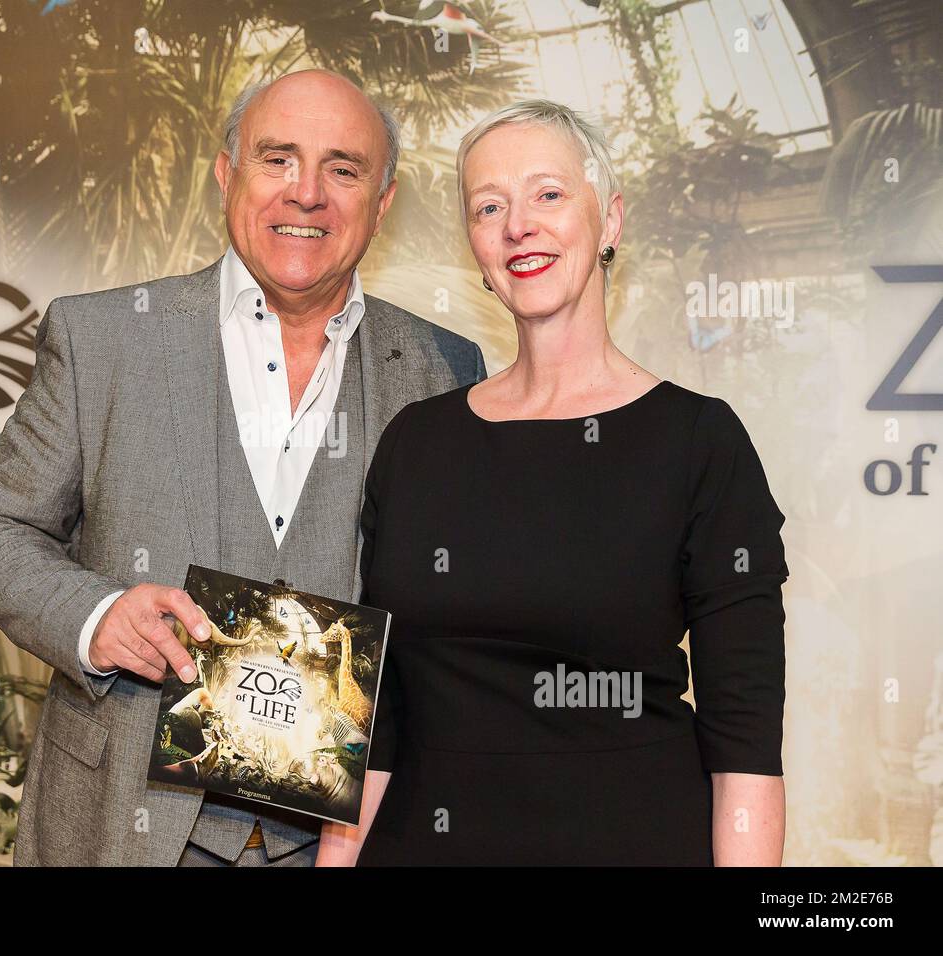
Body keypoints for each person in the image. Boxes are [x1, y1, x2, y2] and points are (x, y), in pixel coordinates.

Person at [0, 70, 486, 867]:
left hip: (348, 845)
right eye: (277, 159)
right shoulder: (103, 338)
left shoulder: (445, 370)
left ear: (383, 200)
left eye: (343, 169)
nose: (306, 194)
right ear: (226, 172)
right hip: (125, 825)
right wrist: (99, 618)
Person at [317, 100, 788, 866]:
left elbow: (746, 747)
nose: (517, 225)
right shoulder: (415, 443)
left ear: (610, 221)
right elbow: (378, 721)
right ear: (475, 245)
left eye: (548, 194)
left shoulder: (700, 442)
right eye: (488, 206)